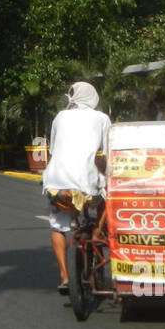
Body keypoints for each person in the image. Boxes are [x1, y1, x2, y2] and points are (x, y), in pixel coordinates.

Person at [43, 81, 111, 294]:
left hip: (55, 183)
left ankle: (64, 276)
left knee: (57, 226)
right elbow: (108, 153)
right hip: (84, 183)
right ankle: (99, 233)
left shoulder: (60, 117)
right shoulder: (101, 118)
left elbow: (53, 150)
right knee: (106, 196)